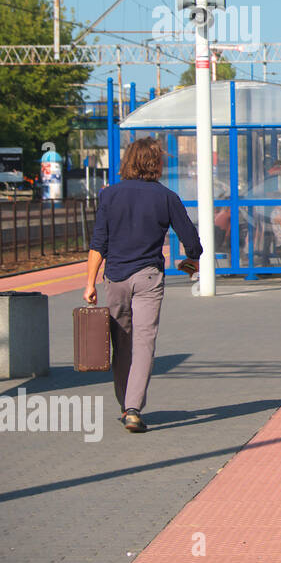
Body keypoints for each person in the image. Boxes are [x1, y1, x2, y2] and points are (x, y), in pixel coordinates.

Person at [84, 137, 201, 434]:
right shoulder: (166, 197)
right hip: (148, 277)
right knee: (144, 342)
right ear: (155, 163)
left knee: (121, 343)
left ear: (129, 161)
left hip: (115, 278)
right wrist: (192, 261)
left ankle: (126, 405)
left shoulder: (109, 195)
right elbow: (191, 240)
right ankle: (134, 408)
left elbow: (99, 242)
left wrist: (89, 283)